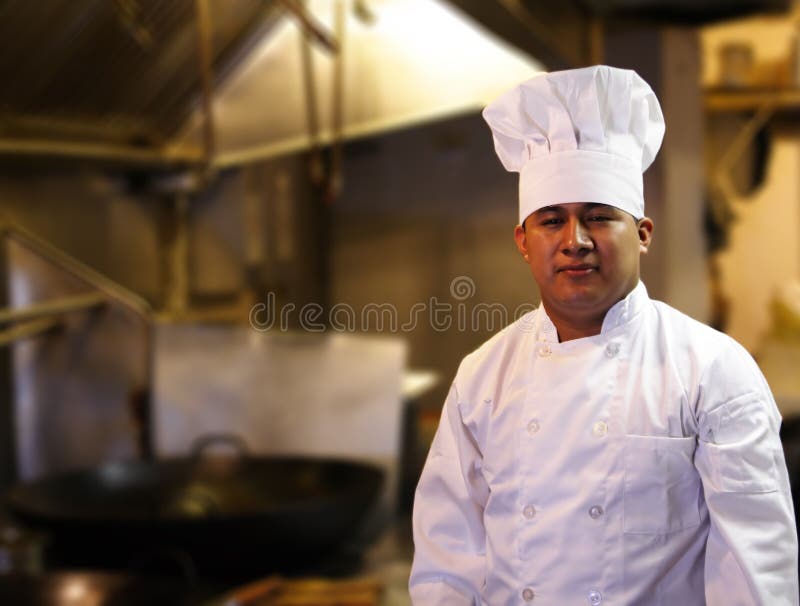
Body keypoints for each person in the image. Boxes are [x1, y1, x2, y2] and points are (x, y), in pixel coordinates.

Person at [408, 65, 799, 605]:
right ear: (523, 241)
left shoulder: (713, 370)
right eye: (551, 221)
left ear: (642, 235)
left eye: (597, 217)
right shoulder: (483, 375)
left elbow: (755, 573)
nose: (575, 240)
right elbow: (447, 560)